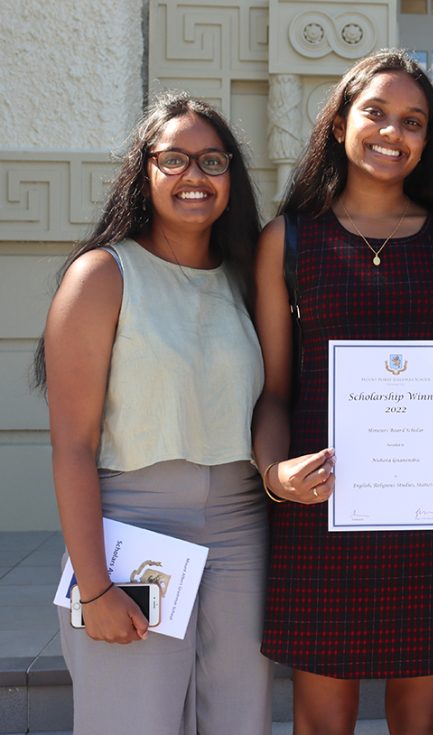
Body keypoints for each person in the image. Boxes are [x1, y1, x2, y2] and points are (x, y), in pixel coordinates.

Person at [251, 50, 433, 735]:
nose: (393, 132)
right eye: (376, 113)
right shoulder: (288, 240)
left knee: (423, 721)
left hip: (432, 516)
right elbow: (275, 394)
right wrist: (275, 476)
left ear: (428, 140)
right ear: (339, 124)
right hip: (323, 506)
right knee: (322, 721)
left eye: (413, 120)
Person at [37, 92, 271, 734]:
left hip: (240, 531)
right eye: (174, 159)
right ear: (143, 171)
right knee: (131, 723)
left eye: (213, 161)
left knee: (237, 722)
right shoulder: (102, 276)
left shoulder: (248, 280)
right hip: (132, 529)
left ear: (232, 178)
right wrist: (95, 586)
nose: (195, 176)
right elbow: (72, 448)